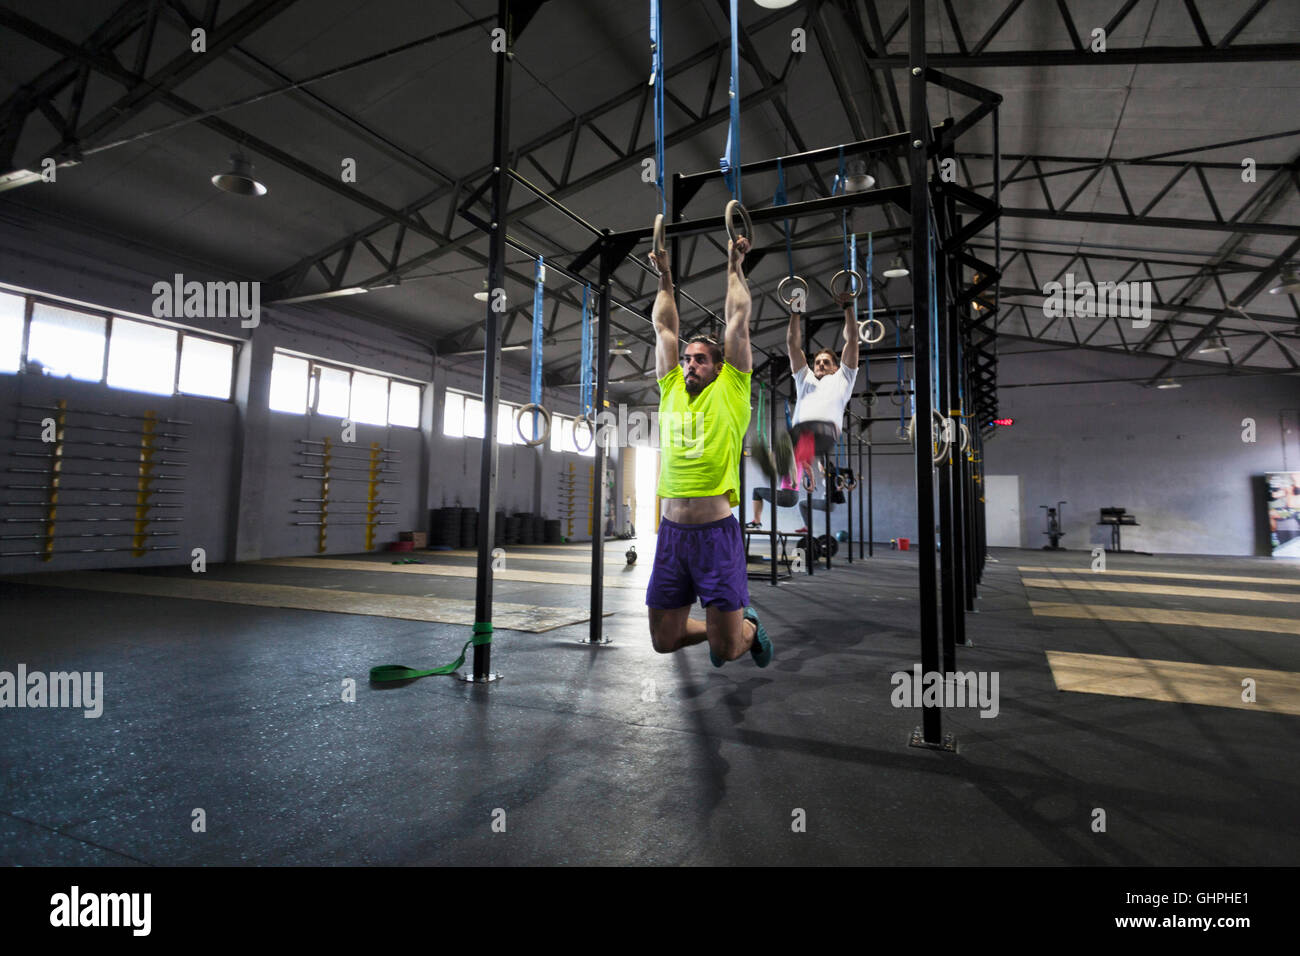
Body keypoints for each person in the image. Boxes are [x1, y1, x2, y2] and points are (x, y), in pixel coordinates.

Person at [645, 235, 773, 668]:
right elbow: (663, 328)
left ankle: (746, 630)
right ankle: (730, 629)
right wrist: (664, 275)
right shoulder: (670, 390)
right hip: (671, 535)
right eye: (686, 359)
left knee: (726, 650)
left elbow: (737, 319)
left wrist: (735, 265)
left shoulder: (733, 390)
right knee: (664, 640)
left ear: (719, 367)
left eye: (700, 359)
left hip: (716, 535)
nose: (689, 364)